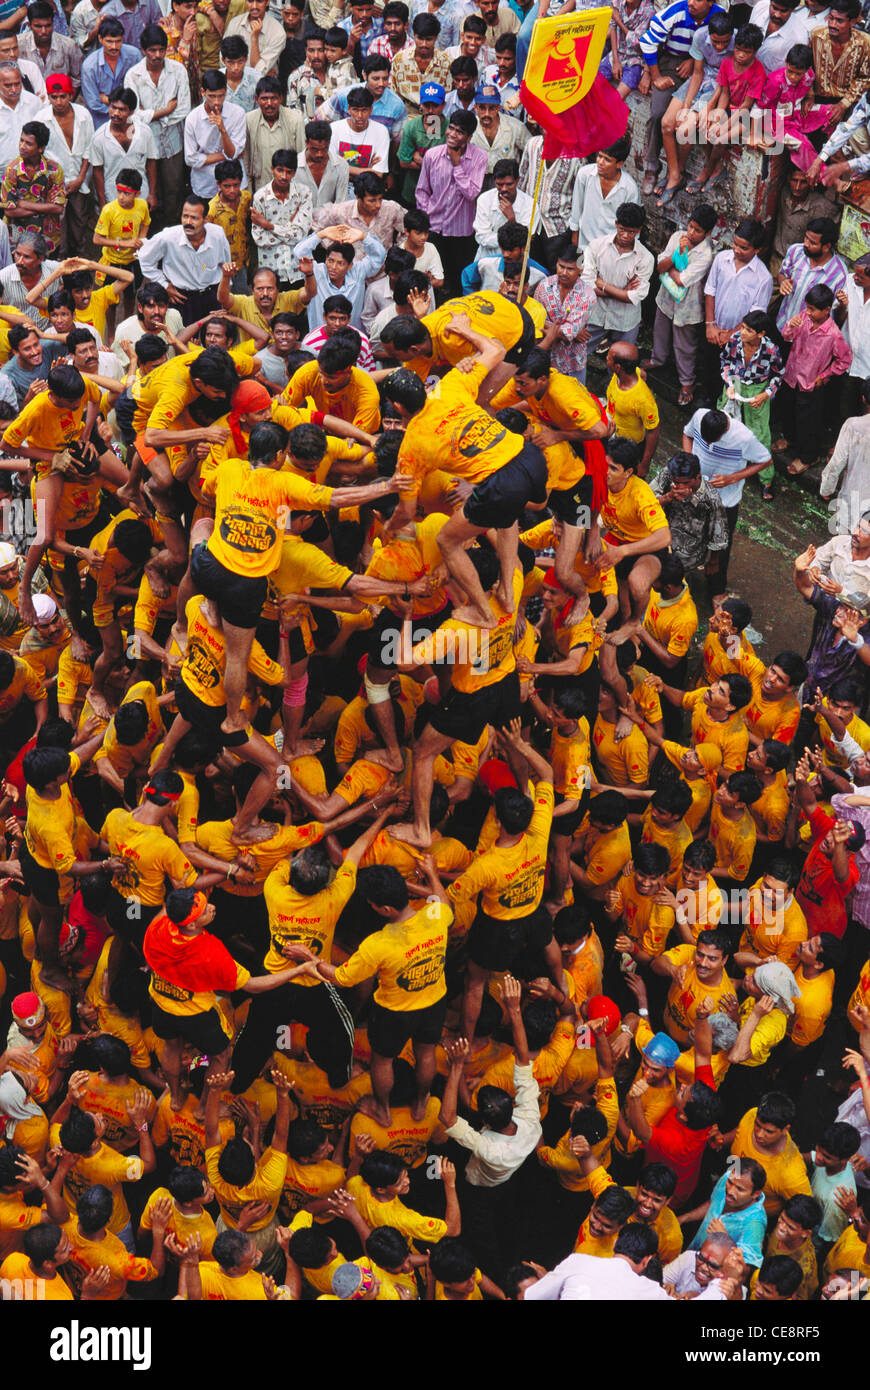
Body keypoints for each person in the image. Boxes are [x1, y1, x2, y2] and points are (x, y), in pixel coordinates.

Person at [647, 204, 717, 407]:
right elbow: (659, 266)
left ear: (708, 233)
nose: (691, 233)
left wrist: (670, 268)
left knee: (684, 345)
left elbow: (680, 279)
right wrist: (678, 250)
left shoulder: (706, 255)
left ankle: (687, 383)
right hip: (667, 297)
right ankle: (657, 359)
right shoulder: (677, 236)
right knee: (660, 330)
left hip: (689, 306)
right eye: (690, 226)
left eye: (698, 230)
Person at [125, 25, 191, 231]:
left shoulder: (178, 70)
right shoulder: (133, 75)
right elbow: (132, 114)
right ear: (143, 50)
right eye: (152, 50)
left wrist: (148, 114)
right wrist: (162, 112)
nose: (157, 55)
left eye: (161, 50)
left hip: (172, 142)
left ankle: (172, 230)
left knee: (173, 189)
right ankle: (148, 234)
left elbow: (183, 109)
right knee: (147, 190)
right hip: (144, 142)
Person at [415, 110, 488, 290]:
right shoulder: (433, 155)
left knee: (458, 281)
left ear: (469, 137)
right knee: (434, 280)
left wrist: (457, 165)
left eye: (460, 132)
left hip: (461, 233)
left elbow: (472, 193)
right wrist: (426, 217)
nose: (452, 134)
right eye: (451, 129)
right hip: (434, 228)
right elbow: (422, 190)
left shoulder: (479, 157)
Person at [138, 196, 232, 324]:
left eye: (194, 218)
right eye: (185, 216)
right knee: (181, 340)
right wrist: (165, 285)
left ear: (206, 219)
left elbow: (226, 265)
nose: (188, 222)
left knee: (213, 339)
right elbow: (145, 259)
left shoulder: (217, 234)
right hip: (181, 299)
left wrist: (224, 296)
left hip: (212, 296)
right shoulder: (168, 237)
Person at [579, 203, 654, 360]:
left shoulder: (645, 258)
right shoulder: (596, 246)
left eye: (631, 232)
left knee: (622, 363)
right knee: (577, 353)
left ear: (639, 230)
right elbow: (586, 284)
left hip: (625, 321)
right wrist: (622, 292)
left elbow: (635, 296)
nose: (625, 235)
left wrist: (602, 285)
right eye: (622, 229)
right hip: (595, 314)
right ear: (616, 224)